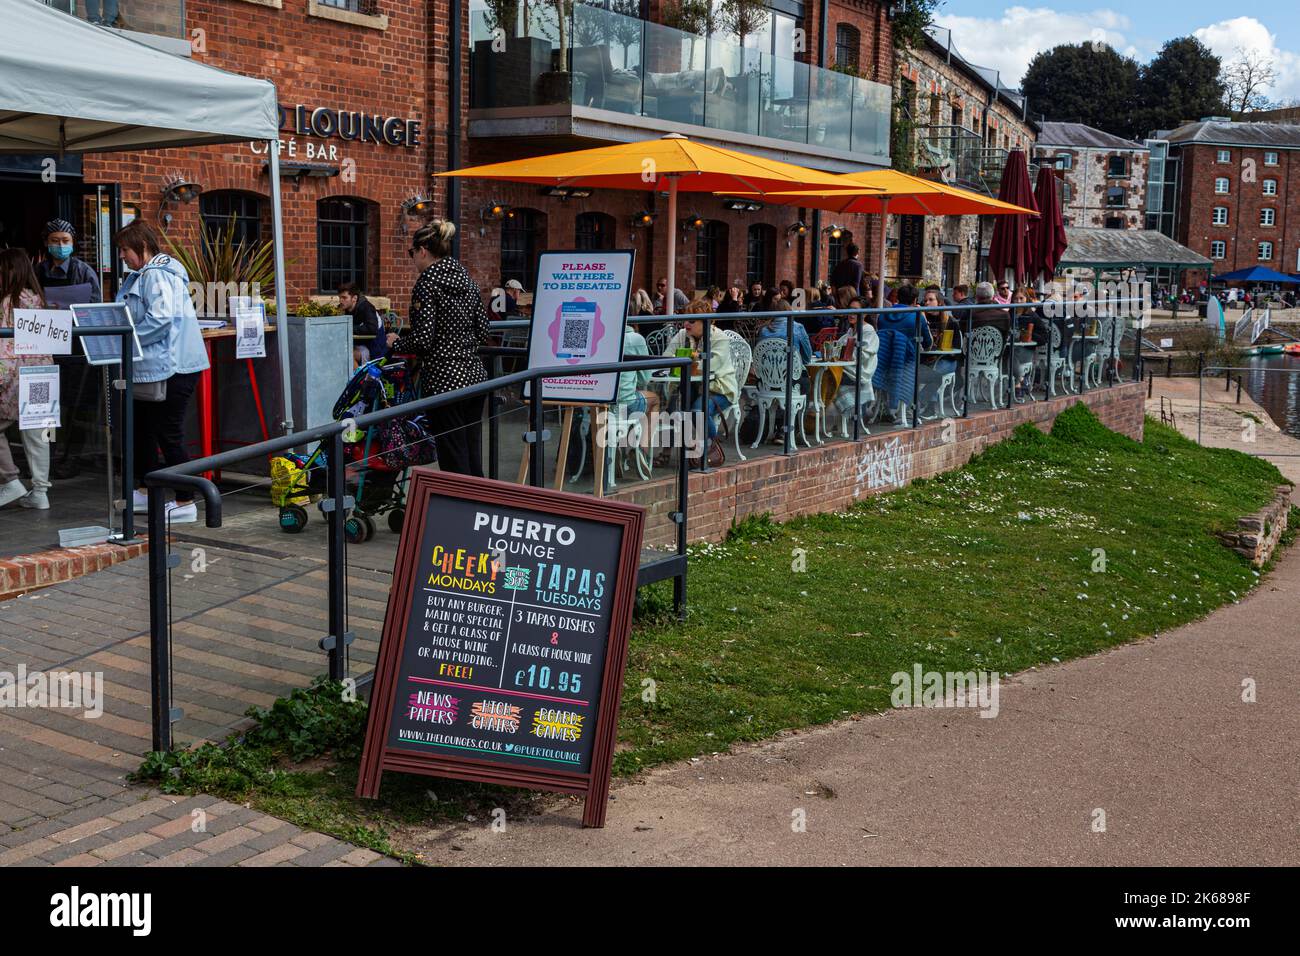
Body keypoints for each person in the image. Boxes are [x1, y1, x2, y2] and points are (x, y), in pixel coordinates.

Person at [117, 221, 210, 524]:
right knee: (142, 428)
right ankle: (145, 490)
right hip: (156, 368)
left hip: (171, 368)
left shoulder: (156, 275)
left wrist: (127, 338)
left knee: (167, 431)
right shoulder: (145, 275)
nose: (123, 257)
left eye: (125, 250)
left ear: (141, 247)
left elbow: (161, 319)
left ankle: (185, 501)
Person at [387, 219, 491, 477]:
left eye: (411, 253)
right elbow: (484, 331)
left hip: (445, 379)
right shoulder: (467, 280)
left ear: (423, 250)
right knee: (471, 447)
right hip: (475, 377)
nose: (412, 259)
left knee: (453, 452)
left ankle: (458, 507)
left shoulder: (427, 284)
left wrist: (396, 342)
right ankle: (478, 505)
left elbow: (422, 340)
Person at [0, 250, 53, 510]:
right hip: (43, 377)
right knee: (38, 436)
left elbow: (5, 352)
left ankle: (10, 480)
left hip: (15, 379)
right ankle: (40, 492)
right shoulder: (37, 299)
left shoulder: (7, 302)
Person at [665, 299, 737, 460]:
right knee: (673, 410)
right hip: (691, 386)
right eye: (685, 319)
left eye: (691, 320)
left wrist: (688, 361)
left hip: (719, 388)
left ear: (705, 322)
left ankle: (711, 445)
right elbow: (666, 357)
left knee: (698, 411)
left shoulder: (719, 338)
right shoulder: (683, 334)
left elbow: (711, 366)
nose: (686, 324)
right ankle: (666, 452)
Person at [614, 322, 659, 455]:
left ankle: (618, 446)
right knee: (655, 399)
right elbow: (645, 378)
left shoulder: (601, 335)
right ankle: (642, 450)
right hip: (624, 403)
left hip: (596, 404)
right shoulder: (635, 339)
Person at [35, 218, 101, 303]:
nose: (61, 245)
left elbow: (95, 304)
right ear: (46, 243)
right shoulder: (38, 270)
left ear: (72, 242)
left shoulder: (83, 272)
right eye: (55, 241)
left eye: (65, 241)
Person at [339, 281, 385, 365]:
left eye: (344, 298)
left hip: (374, 349)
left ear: (354, 298)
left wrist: (349, 328)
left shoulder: (367, 308)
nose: (341, 301)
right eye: (340, 298)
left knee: (347, 355)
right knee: (340, 352)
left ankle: (359, 378)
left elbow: (372, 329)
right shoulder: (346, 309)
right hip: (360, 345)